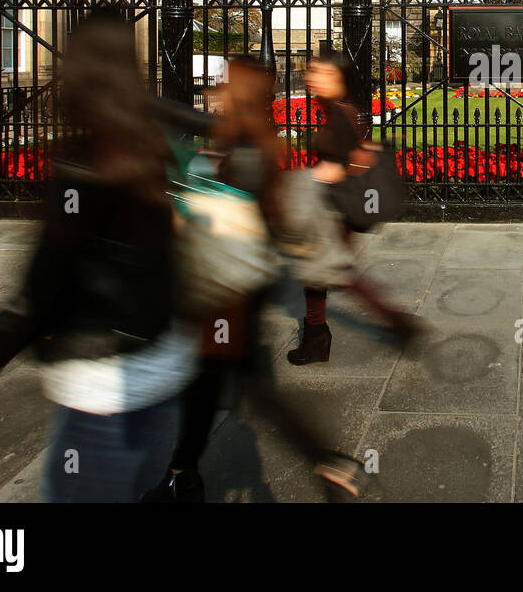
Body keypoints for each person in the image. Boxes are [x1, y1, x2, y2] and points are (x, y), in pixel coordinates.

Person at [0, 11, 196, 502]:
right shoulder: (154, 152)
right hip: (162, 384)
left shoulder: (84, 169)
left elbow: (34, 302)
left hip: (99, 397)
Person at [142, 55, 361, 502]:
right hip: (235, 286)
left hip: (224, 288)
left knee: (232, 385)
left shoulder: (245, 148)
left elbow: (233, 219)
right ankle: (184, 476)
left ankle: (324, 462)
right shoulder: (244, 134)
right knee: (220, 386)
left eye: (224, 80)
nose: (215, 87)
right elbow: (180, 115)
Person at [284, 50, 419, 365]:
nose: (312, 78)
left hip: (335, 207)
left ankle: (399, 324)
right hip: (333, 204)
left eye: (323, 74)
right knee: (323, 274)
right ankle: (319, 337)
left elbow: (342, 166)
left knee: (337, 273)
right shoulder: (341, 110)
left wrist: (300, 180)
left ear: (341, 80)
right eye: (313, 72)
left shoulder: (341, 115)